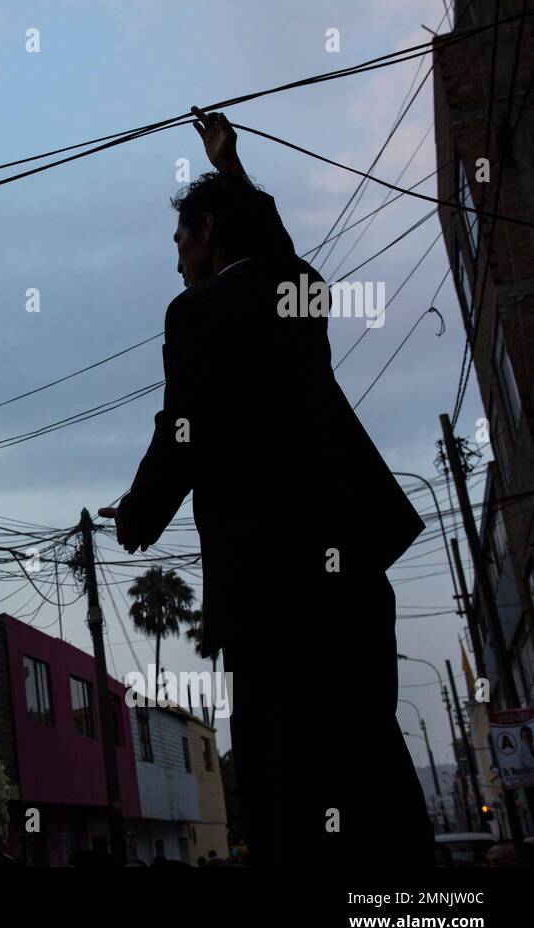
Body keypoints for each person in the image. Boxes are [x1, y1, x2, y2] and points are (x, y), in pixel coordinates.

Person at [99, 109, 432, 867]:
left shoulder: (200, 310)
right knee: (370, 762)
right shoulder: (300, 295)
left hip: (273, 593)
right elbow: (277, 256)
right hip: (350, 579)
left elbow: (184, 424)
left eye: (181, 238)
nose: (176, 258)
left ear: (207, 228)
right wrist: (235, 168)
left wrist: (142, 512)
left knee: (287, 785)